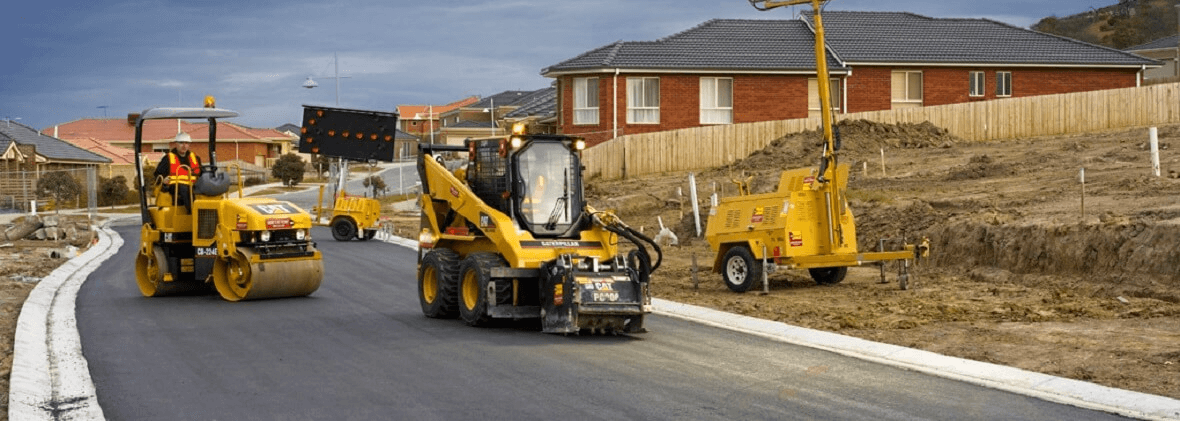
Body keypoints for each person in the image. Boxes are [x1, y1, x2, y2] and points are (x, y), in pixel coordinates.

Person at [154, 132, 202, 212]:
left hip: (193, 184)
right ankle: (193, 212)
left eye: (186, 143)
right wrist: (163, 180)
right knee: (185, 189)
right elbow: (157, 174)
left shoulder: (195, 158)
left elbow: (201, 172)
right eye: (181, 143)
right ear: (176, 144)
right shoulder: (168, 158)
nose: (184, 146)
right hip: (175, 186)